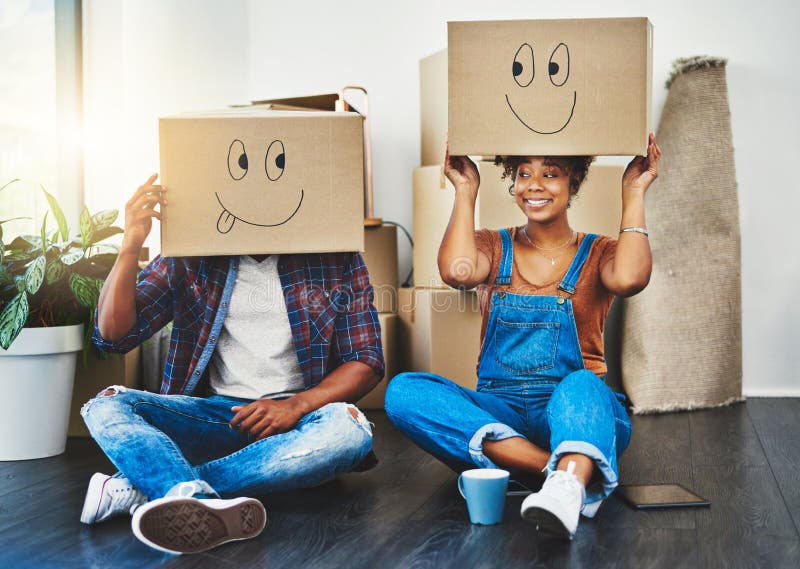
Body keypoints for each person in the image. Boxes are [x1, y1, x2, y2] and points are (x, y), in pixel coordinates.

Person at [79, 174, 383, 555]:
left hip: (302, 421)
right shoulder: (191, 253)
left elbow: (367, 360)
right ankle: (187, 493)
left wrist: (295, 406)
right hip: (217, 418)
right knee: (106, 405)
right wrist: (130, 245)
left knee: (349, 432)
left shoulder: (335, 254)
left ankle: (160, 489)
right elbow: (112, 334)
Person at [385, 134, 661, 539]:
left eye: (550, 174)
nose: (534, 185)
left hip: (574, 412)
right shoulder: (492, 245)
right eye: (523, 173)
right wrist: (465, 189)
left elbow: (631, 279)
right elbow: (457, 272)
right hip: (501, 411)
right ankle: (559, 472)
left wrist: (634, 191)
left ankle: (560, 478)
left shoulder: (600, 252)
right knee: (404, 391)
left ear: (573, 183)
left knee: (583, 384)